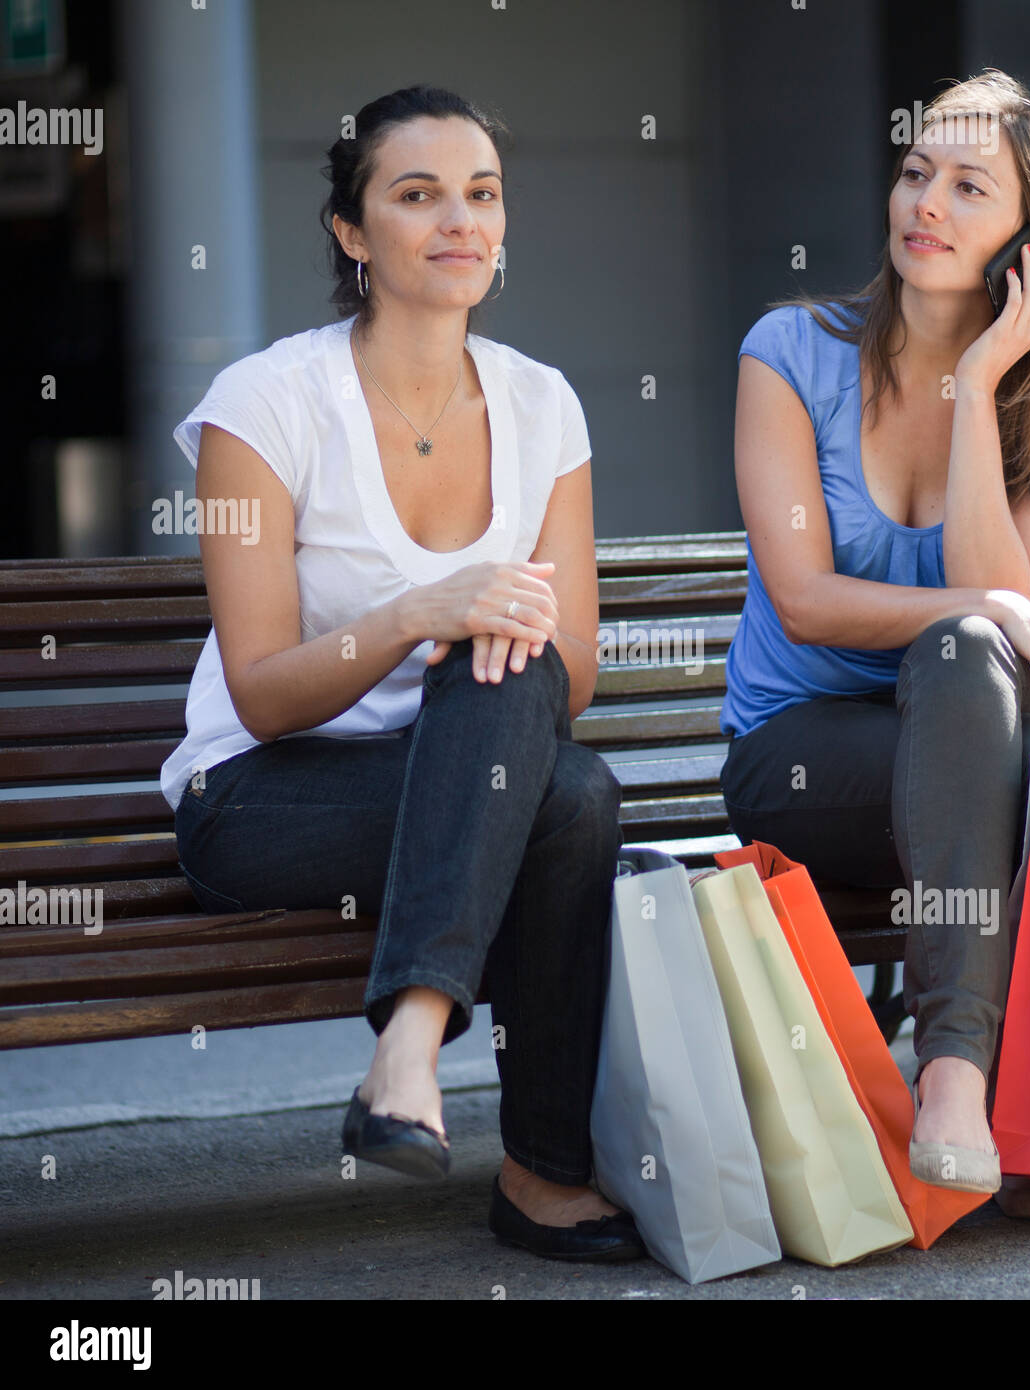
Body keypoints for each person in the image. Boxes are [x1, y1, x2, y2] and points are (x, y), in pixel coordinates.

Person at [161, 85, 645, 1262]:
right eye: (417, 195)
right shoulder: (264, 405)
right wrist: (413, 614)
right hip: (265, 792)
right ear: (351, 231)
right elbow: (264, 690)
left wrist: (480, 627)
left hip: (464, 773)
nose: (459, 222)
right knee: (559, 795)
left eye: (480, 194)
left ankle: (411, 1058)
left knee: (556, 754)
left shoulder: (543, 404)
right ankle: (529, 1158)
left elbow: (568, 670)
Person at [718, 71, 1030, 1218]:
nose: (923, 202)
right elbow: (803, 601)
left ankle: (947, 1079)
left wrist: (981, 383)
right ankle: (968, 1084)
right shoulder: (788, 350)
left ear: (1027, 248)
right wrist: (993, 613)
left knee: (959, 657)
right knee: (970, 645)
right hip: (800, 756)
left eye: (965, 185)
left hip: (961, 755)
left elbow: (982, 598)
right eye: (911, 172)